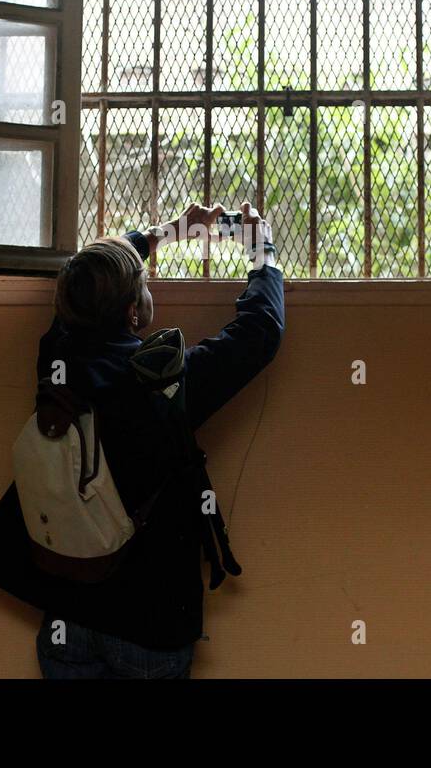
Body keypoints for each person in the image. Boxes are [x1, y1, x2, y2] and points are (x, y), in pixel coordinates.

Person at [29, 200, 285, 678]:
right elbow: (260, 332)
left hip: (65, 619)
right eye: (143, 286)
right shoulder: (165, 379)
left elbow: (80, 276)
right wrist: (261, 251)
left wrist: (167, 232)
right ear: (132, 313)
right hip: (147, 628)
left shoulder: (56, 354)